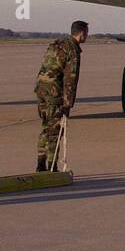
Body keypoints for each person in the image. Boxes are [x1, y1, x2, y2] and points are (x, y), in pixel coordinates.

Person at [34, 20, 88, 172]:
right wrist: (67, 104)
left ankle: (40, 163)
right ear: (82, 33)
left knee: (46, 127)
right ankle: (52, 166)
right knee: (55, 131)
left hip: (41, 89)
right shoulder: (73, 49)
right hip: (54, 92)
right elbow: (70, 79)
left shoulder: (57, 43)